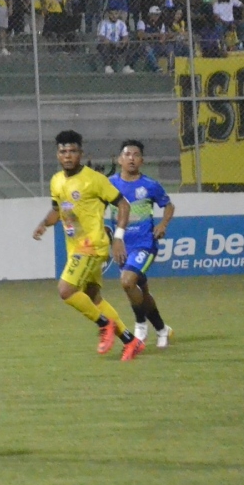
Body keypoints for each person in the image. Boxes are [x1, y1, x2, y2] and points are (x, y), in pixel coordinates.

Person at [32, 130, 142, 361]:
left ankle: (105, 326)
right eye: (63, 151)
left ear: (81, 154)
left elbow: (123, 205)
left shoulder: (94, 179)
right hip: (75, 247)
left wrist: (119, 236)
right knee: (93, 297)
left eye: (73, 151)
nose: (68, 155)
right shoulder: (56, 181)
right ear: (58, 155)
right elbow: (57, 210)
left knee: (66, 290)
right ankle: (130, 341)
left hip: (92, 246)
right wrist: (44, 224)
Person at [109, 140, 175, 348]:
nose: (131, 158)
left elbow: (169, 205)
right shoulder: (109, 184)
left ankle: (140, 326)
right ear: (119, 159)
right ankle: (162, 329)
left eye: (136, 155)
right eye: (127, 154)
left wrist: (163, 224)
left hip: (145, 244)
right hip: (122, 247)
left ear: (142, 161)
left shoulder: (149, 185)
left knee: (128, 282)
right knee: (140, 292)